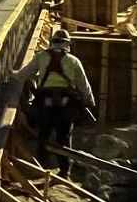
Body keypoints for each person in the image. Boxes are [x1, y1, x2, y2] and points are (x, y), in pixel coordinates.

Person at [16, 27, 96, 167]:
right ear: (68, 45)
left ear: (52, 42)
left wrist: (12, 75)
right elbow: (83, 84)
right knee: (64, 137)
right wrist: (90, 101)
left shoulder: (41, 56)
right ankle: (64, 170)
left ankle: (41, 166)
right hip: (66, 104)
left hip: (44, 103)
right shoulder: (74, 61)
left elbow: (25, 74)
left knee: (43, 134)